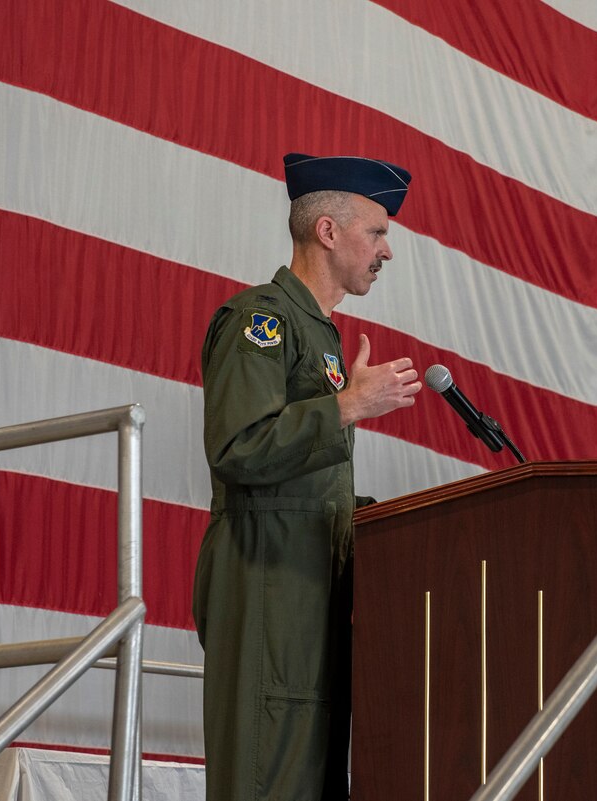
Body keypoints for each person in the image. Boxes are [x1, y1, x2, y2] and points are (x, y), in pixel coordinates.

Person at [192, 153, 421, 800]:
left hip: (312, 593)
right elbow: (237, 447)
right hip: (268, 589)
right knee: (266, 777)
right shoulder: (260, 321)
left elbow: (307, 482)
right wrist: (347, 406)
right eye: (377, 232)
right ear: (327, 231)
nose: (387, 250)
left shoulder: (321, 336)